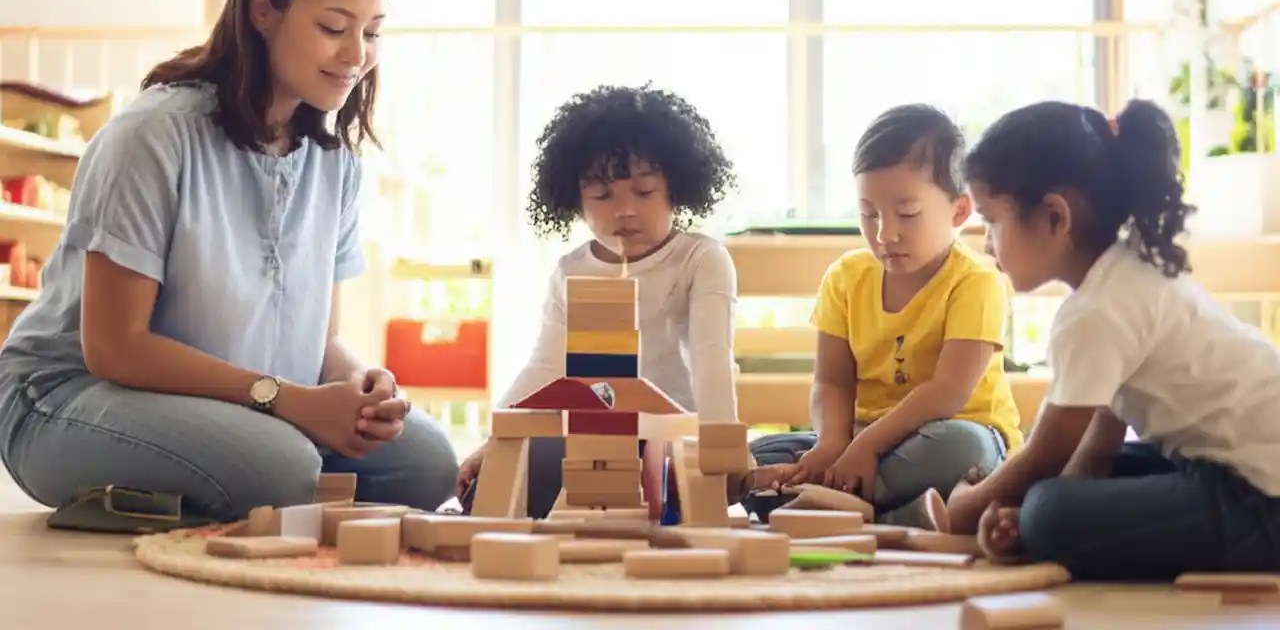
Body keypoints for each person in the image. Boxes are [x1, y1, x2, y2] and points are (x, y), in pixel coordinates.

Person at [0, 0, 458, 524]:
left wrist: (366, 385)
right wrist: (287, 401)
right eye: (333, 27)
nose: (356, 55)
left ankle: (206, 493)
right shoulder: (154, 135)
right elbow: (115, 347)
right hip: (69, 398)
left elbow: (321, 342)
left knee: (426, 464)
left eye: (372, 32)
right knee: (282, 467)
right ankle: (134, 501)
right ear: (263, 10)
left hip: (241, 410)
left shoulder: (334, 163)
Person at [949, 99, 1280, 579]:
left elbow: (1046, 455)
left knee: (1049, 515)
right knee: (1059, 498)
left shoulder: (1094, 312)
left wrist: (965, 509)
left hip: (1260, 498)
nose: (985, 243)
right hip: (1234, 467)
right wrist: (1056, 497)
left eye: (991, 220)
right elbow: (1099, 439)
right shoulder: (1127, 271)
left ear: (1055, 218)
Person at [455, 83, 740, 517]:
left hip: (676, 438)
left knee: (662, 488)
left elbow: (711, 361)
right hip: (594, 437)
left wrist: (720, 451)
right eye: (602, 196)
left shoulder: (701, 259)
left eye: (643, 192)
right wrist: (496, 441)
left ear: (676, 189)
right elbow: (547, 367)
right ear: (575, 199)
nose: (624, 210)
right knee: (494, 490)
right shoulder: (571, 269)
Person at [745, 104, 1023, 527]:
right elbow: (832, 381)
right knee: (758, 457)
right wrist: (833, 442)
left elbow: (949, 392)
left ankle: (826, 506)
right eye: (868, 213)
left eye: (907, 214)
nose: (884, 233)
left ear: (960, 211)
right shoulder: (845, 278)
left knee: (961, 450)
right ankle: (896, 513)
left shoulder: (976, 282)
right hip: (861, 443)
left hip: (952, 434)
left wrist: (867, 448)